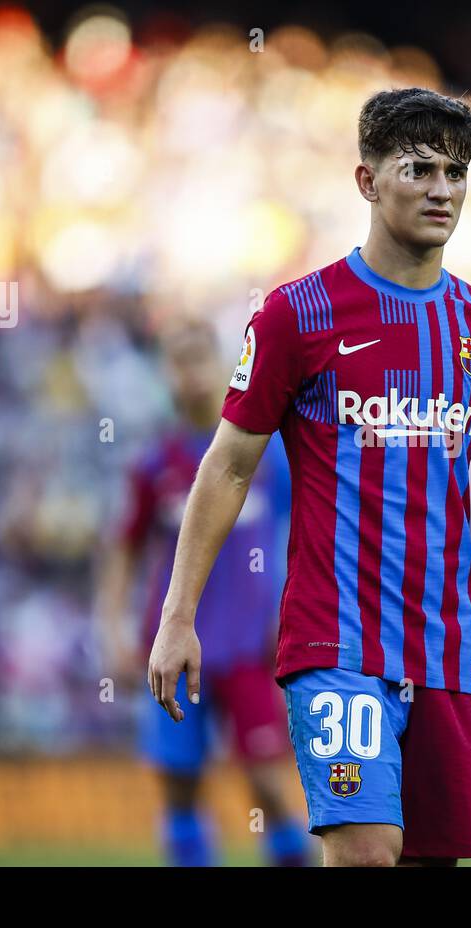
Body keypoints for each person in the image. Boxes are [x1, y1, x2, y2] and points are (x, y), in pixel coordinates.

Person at [147, 87, 471, 866]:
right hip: (335, 645)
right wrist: (177, 614)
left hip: (446, 652)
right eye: (420, 168)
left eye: (457, 172)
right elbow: (229, 466)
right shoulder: (297, 315)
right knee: (366, 854)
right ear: (367, 181)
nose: (443, 189)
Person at [98, 318, 308, 866]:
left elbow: (306, 534)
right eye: (178, 360)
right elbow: (122, 549)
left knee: (269, 786)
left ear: (222, 365)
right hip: (172, 649)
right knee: (181, 790)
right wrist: (113, 628)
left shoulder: (268, 455)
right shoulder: (153, 465)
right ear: (165, 373)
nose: (190, 374)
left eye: (199, 358)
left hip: (247, 648)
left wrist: (292, 617)